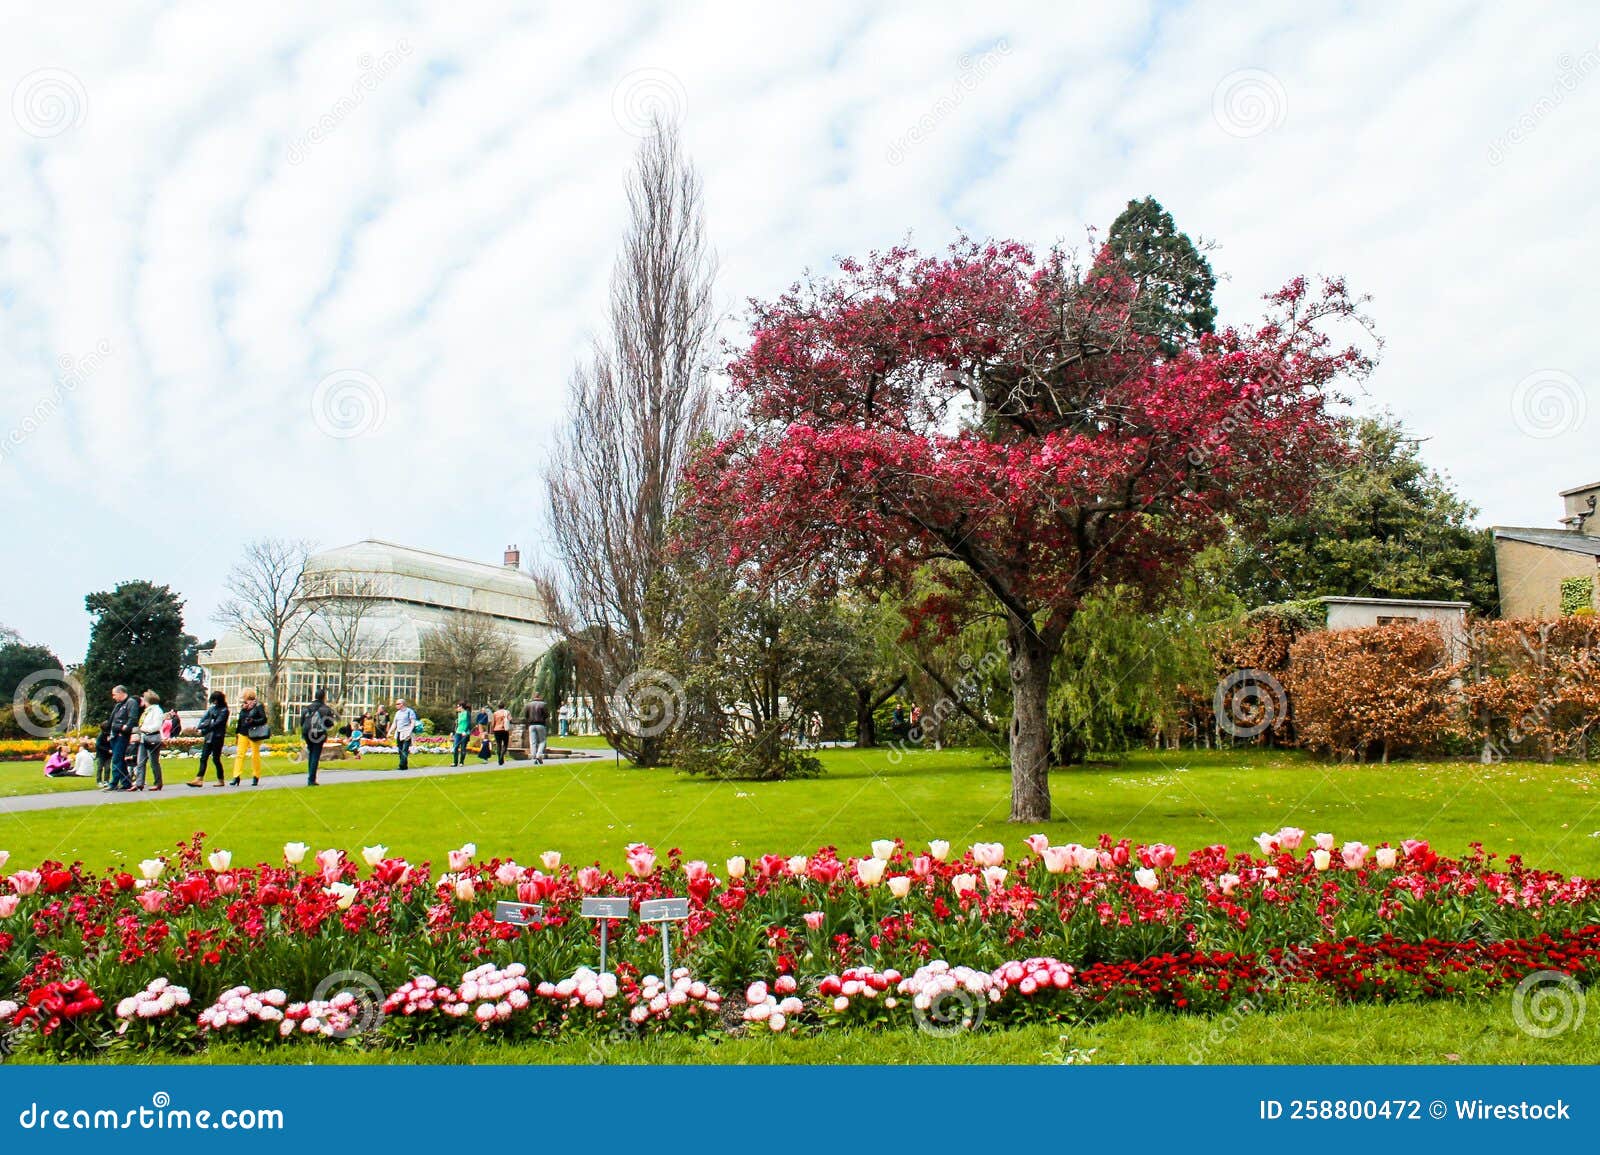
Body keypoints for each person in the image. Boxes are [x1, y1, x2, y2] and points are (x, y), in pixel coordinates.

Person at [188, 691, 229, 788]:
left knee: (216, 759)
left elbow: (217, 724)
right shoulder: (212, 709)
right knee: (203, 758)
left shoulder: (224, 710)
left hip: (217, 737)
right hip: (209, 736)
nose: (214, 702)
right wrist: (199, 727)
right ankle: (199, 779)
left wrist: (203, 731)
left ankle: (220, 779)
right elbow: (204, 719)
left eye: (215, 700)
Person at [232, 687, 268, 787]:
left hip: (254, 733)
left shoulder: (258, 706)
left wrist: (254, 721)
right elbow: (240, 721)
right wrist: (237, 734)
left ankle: (256, 776)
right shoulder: (243, 707)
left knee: (255, 755)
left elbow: (264, 719)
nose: (243, 700)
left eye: (244, 697)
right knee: (240, 754)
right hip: (243, 733)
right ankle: (236, 776)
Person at [106, 685, 139, 791]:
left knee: (116, 759)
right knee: (119, 760)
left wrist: (125, 728)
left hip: (121, 735)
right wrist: (108, 733)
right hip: (114, 735)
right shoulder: (119, 705)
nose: (113, 697)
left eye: (114, 694)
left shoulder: (131, 702)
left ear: (121, 693)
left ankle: (114, 783)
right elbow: (112, 719)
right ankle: (126, 783)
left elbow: (133, 718)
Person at [300, 688, 335, 787]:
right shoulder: (326, 708)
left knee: (311, 753)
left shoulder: (307, 707)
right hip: (318, 733)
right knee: (315, 755)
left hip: (307, 732)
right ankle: (311, 779)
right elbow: (329, 724)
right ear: (324, 697)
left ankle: (311, 776)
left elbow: (302, 722)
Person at [133, 690, 165, 791]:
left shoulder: (157, 711)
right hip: (144, 737)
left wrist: (143, 729)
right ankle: (139, 783)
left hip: (152, 737)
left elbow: (156, 726)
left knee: (153, 762)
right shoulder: (148, 710)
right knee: (140, 761)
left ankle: (158, 782)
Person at [392, 698, 418, 770]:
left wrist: (409, 732)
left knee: (405, 749)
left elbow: (413, 722)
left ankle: (401, 765)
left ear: (402, 704)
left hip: (407, 732)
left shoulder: (409, 711)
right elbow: (394, 723)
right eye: (396, 704)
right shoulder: (397, 713)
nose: (396, 705)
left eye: (398, 704)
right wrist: (389, 731)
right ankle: (404, 765)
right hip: (399, 732)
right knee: (400, 749)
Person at [523, 694, 549, 765]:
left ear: (533, 697)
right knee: (542, 741)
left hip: (531, 725)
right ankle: (538, 755)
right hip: (541, 724)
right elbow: (546, 715)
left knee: (532, 741)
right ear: (539, 697)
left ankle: (533, 756)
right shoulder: (543, 704)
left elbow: (526, 715)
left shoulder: (528, 705)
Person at [491, 702, 511, 766]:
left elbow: (493, 723)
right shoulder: (507, 712)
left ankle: (499, 758)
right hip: (504, 729)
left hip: (497, 730)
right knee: (505, 744)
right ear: (504, 706)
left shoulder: (495, 713)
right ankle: (501, 757)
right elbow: (510, 719)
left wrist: (492, 729)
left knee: (498, 744)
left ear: (498, 707)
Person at [451, 701, 471, 766]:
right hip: (458, 732)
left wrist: (465, 731)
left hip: (464, 733)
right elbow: (456, 724)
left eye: (458, 706)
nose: (457, 708)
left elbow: (468, 723)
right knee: (455, 747)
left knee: (463, 748)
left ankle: (461, 762)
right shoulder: (458, 714)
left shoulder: (467, 713)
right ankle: (455, 762)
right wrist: (452, 732)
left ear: (461, 707)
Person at [94, 719, 112, 785]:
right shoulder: (101, 736)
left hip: (108, 755)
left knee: (107, 768)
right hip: (101, 754)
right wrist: (107, 750)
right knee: (100, 768)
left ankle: (106, 780)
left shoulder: (110, 734)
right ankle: (99, 781)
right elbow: (98, 745)